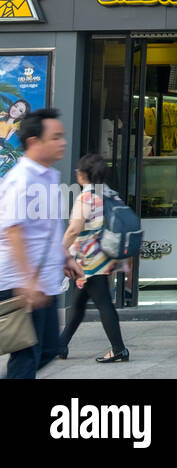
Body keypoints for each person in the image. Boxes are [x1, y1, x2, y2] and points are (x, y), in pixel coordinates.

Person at [0, 107, 76, 379]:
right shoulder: (21, 179)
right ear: (34, 142)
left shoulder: (48, 176)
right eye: (55, 137)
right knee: (27, 354)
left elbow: (47, 228)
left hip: (43, 280)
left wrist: (64, 257)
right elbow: (13, 230)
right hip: (20, 282)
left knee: (49, 349)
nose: (62, 142)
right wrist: (26, 282)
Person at [57, 153, 128, 363]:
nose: (76, 173)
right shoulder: (109, 193)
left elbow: (74, 229)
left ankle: (119, 349)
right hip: (105, 255)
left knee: (103, 302)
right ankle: (60, 345)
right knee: (79, 302)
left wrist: (60, 250)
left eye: (78, 170)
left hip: (89, 260)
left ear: (83, 174)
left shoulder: (87, 196)